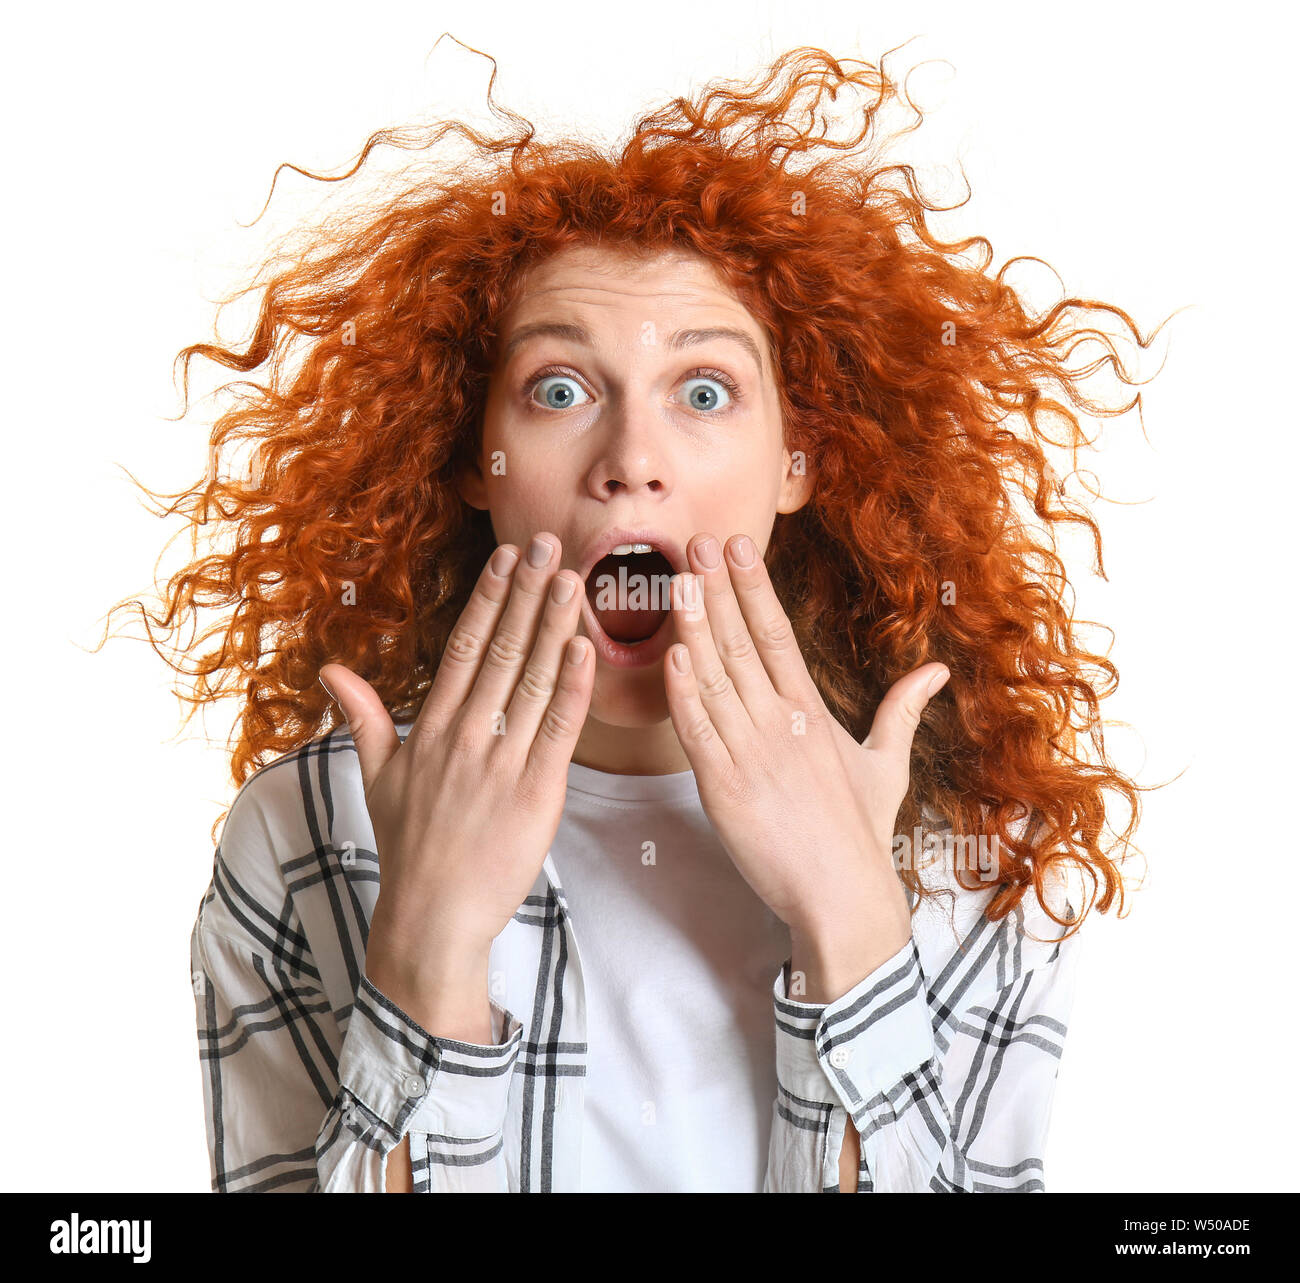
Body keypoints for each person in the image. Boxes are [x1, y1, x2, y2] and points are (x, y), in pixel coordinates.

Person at [147, 42, 1151, 1192]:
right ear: (476, 462)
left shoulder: (977, 859)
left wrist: (850, 923)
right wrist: (425, 949)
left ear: (798, 462)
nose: (631, 460)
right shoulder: (307, 831)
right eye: (559, 390)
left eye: (705, 391)